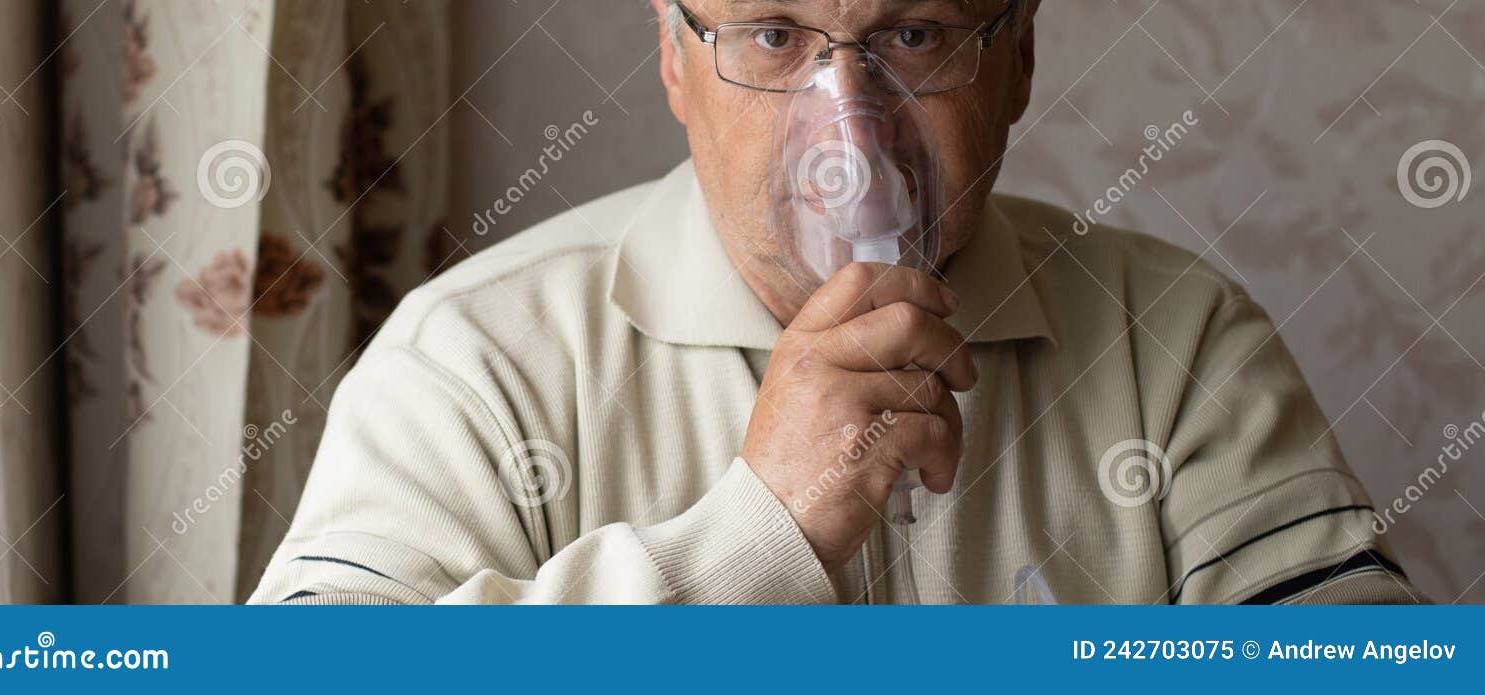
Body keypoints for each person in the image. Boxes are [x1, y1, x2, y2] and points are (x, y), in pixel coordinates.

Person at [250, 0, 1421, 604]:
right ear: (675, 55)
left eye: (912, 34)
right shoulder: (470, 358)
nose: (846, 127)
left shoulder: (1177, 334)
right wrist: (754, 538)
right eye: (773, 34)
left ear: (1016, 58)